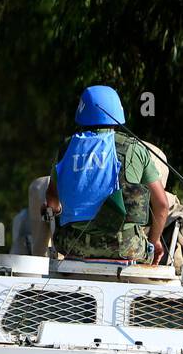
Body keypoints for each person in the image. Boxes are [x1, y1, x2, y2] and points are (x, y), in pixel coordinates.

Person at [44, 85, 170, 263]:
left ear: (81, 112)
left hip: (73, 246)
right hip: (126, 248)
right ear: (118, 114)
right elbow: (162, 205)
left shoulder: (66, 147)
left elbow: (52, 200)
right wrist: (154, 242)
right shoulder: (134, 148)